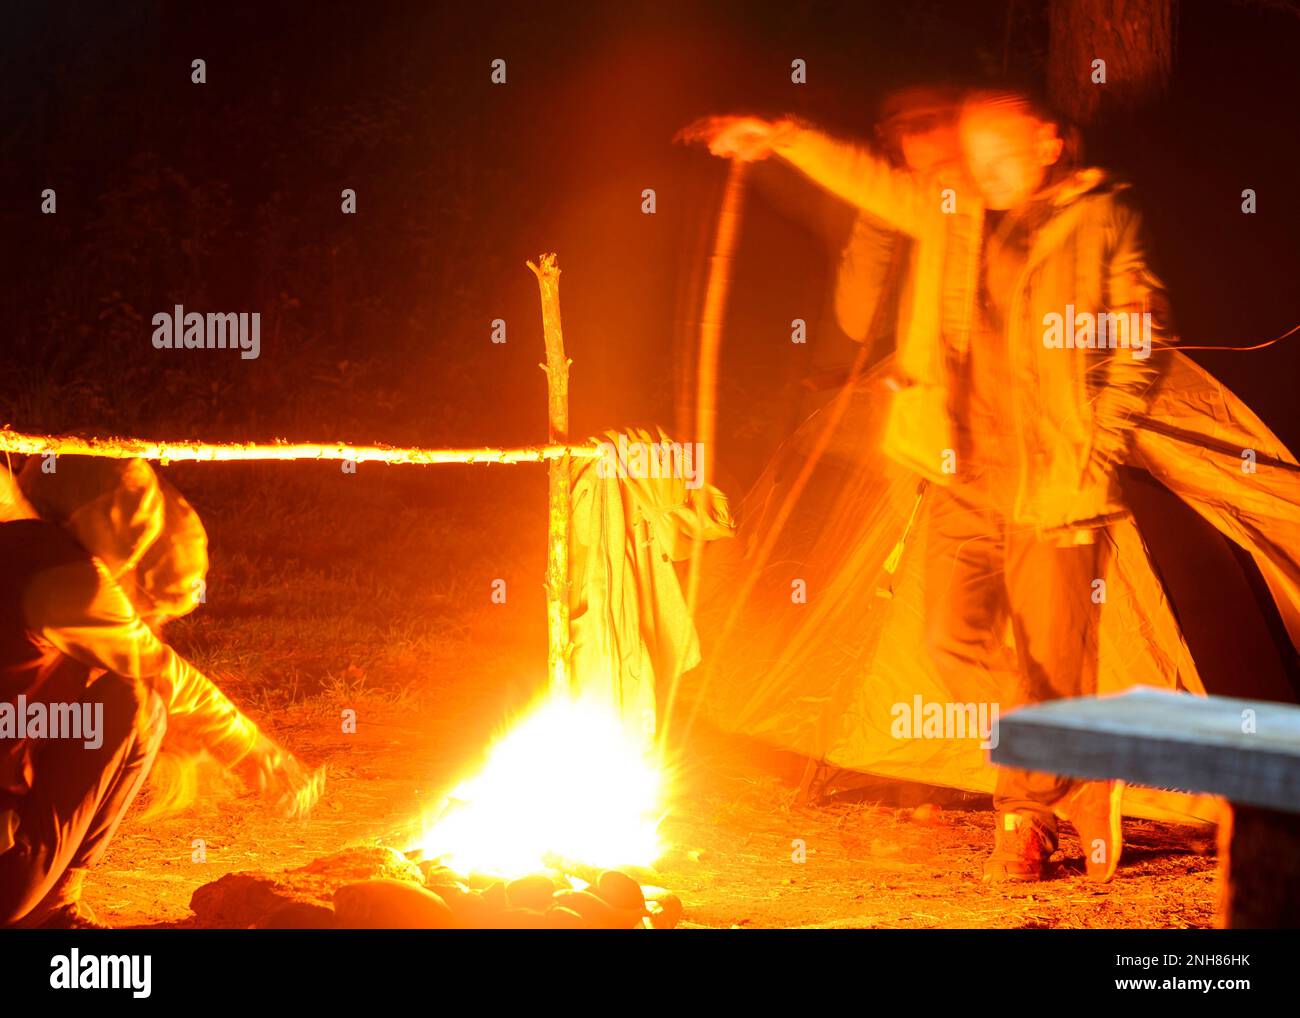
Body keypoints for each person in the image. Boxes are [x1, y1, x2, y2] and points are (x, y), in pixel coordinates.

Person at [688, 87, 1174, 882]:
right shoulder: (950, 210)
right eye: (973, 159)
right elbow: (867, 180)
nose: (983, 174)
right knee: (949, 642)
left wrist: (1099, 445)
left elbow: (1142, 333)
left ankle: (1024, 820)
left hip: (1054, 488)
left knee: (1054, 663)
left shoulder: (1103, 221)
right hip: (960, 473)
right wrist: (779, 135)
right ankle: (1074, 768)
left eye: (999, 155)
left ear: (1049, 143)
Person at [0, 457, 323, 927]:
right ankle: (52, 909)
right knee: (138, 702)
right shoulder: (69, 581)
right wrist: (253, 750)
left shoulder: (16, 541)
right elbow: (160, 671)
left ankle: (55, 905)